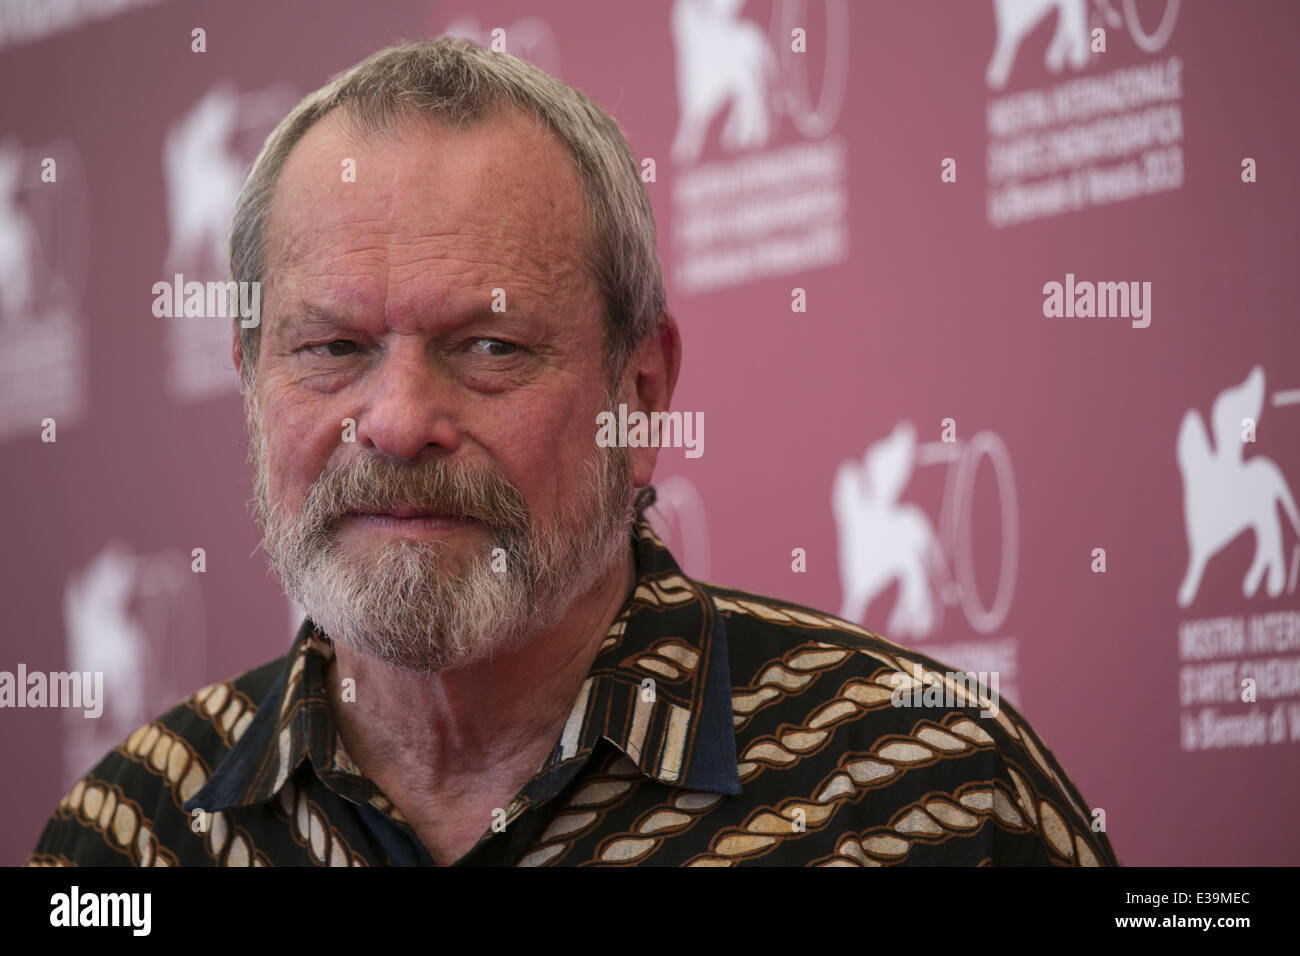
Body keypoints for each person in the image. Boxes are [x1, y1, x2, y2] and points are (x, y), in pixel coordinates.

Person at [27, 37, 1118, 867]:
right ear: (252, 382)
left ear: (637, 397)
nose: (398, 421)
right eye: (333, 348)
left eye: (489, 347)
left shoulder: (927, 793)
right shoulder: (127, 838)